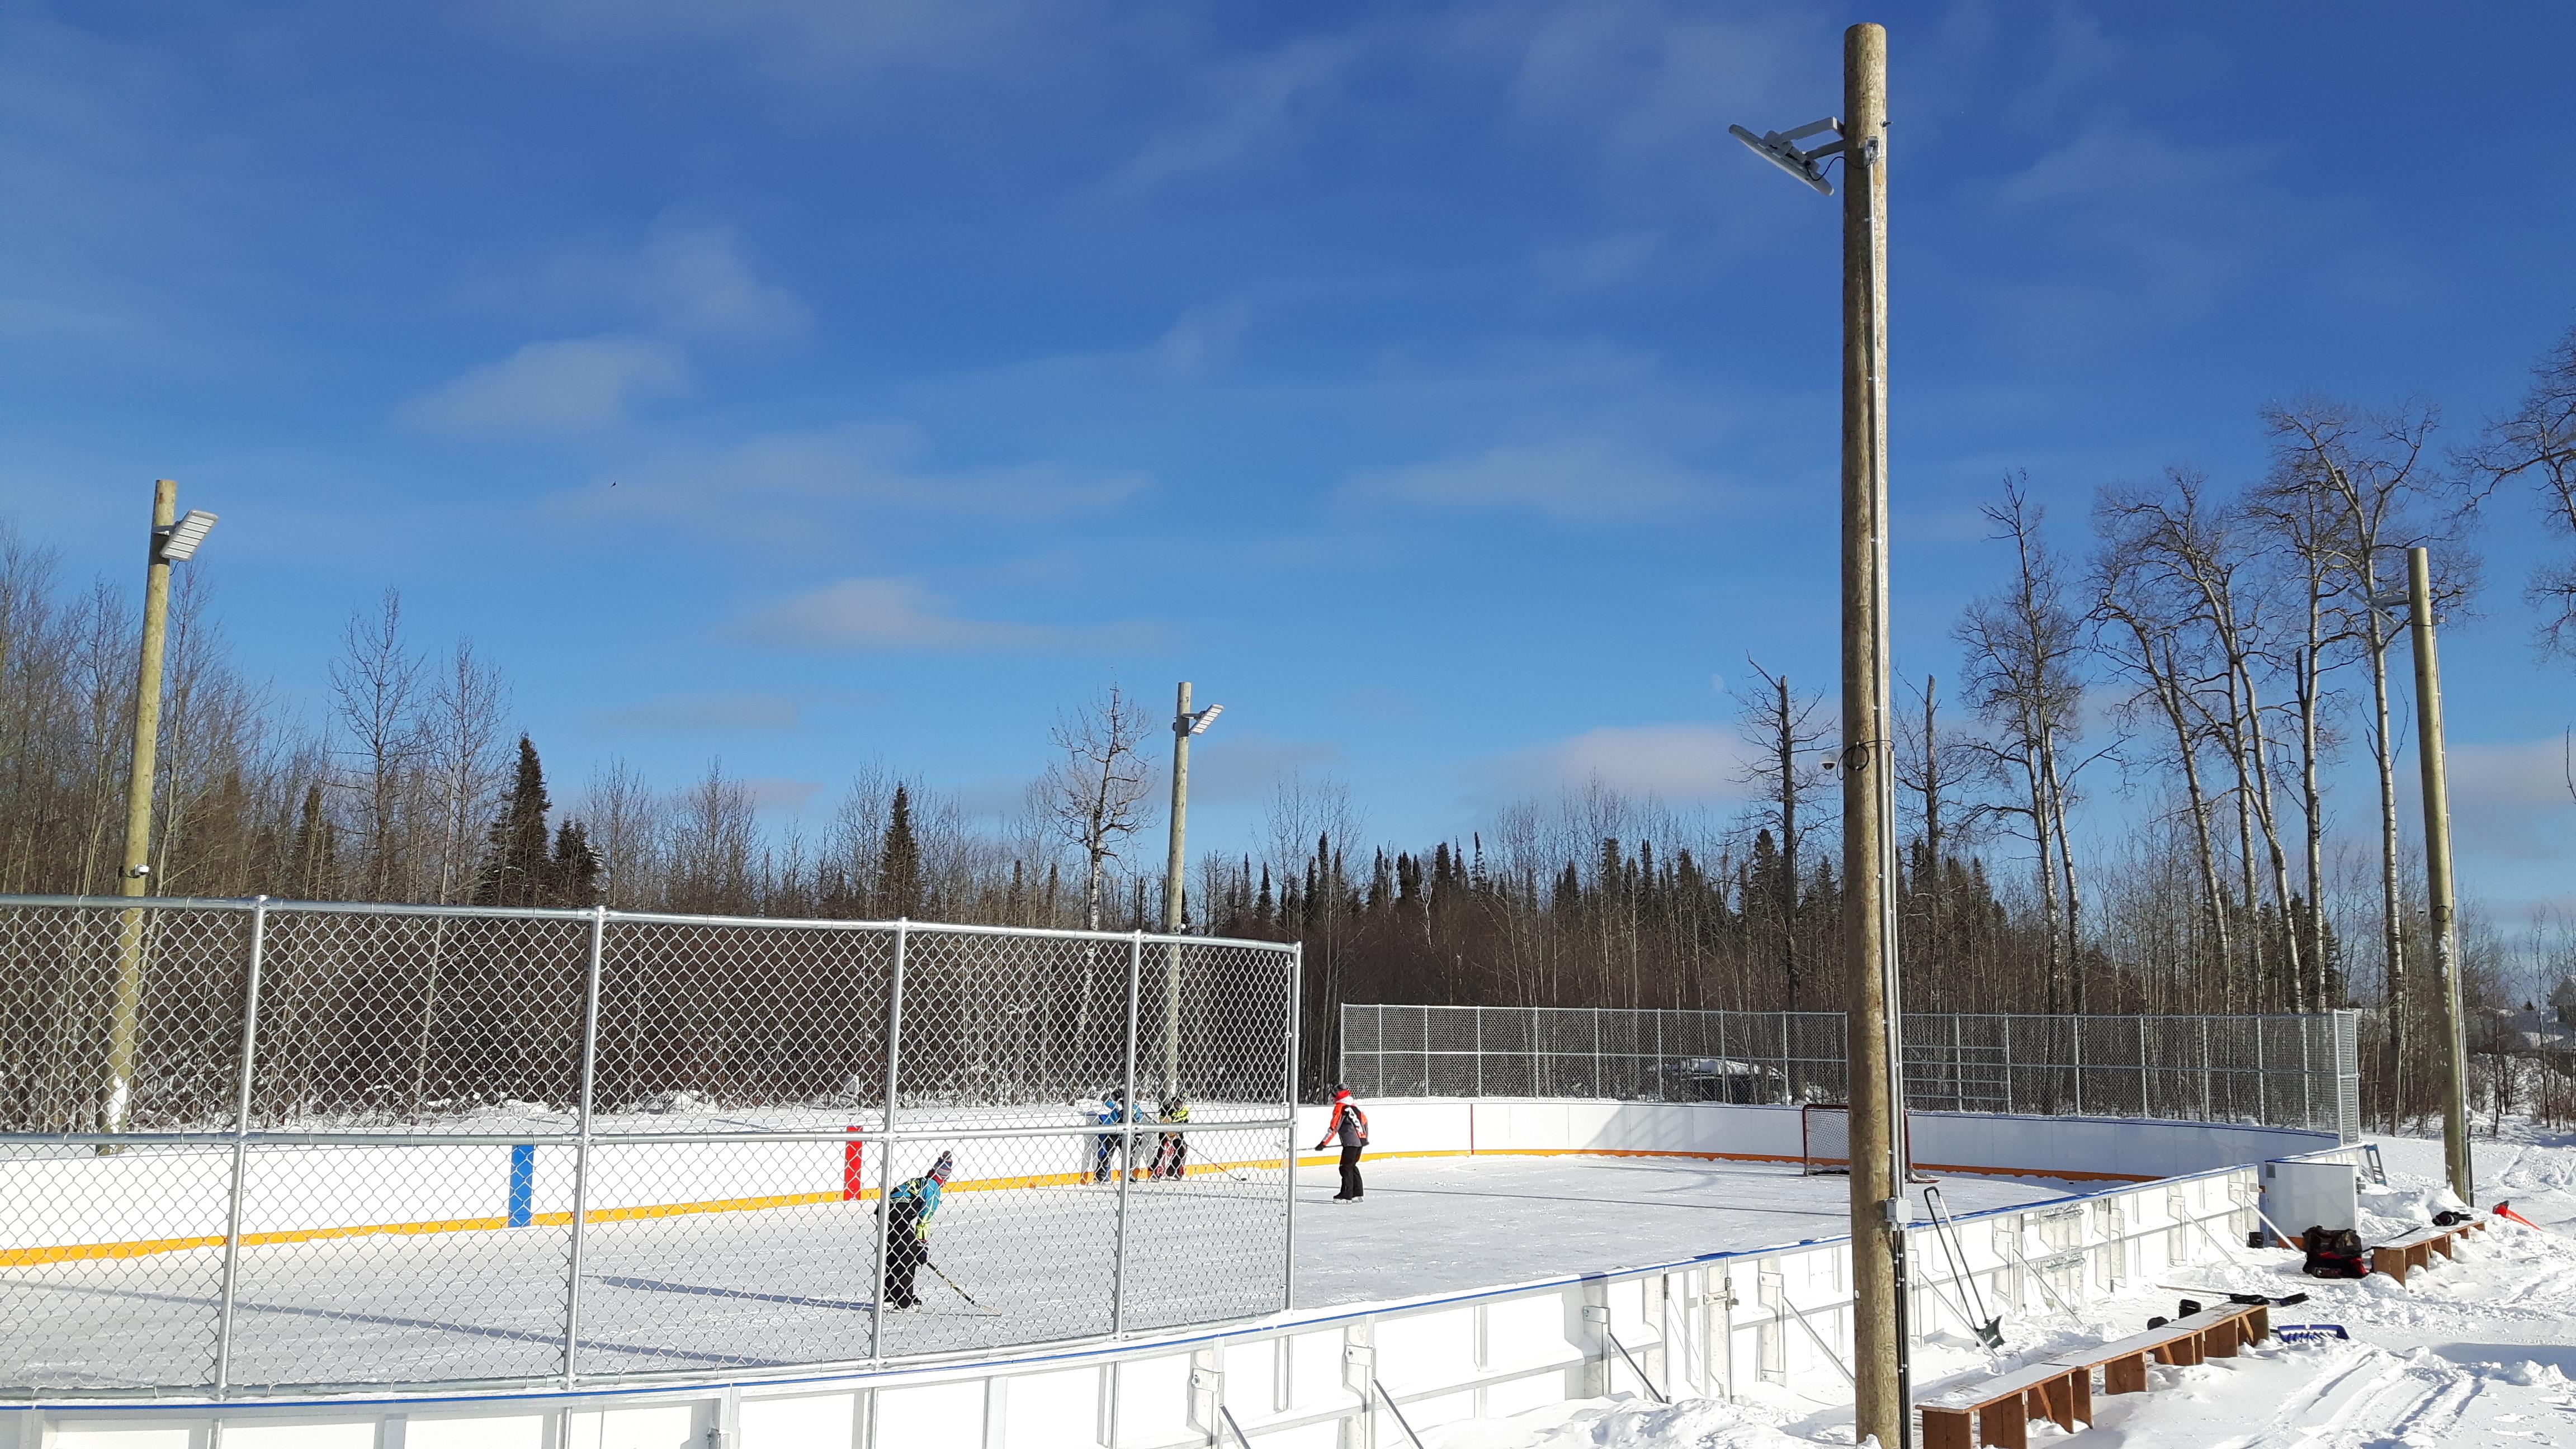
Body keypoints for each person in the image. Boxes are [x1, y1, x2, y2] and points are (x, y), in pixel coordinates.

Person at [879, 1150, 954, 1309]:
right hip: (897, 1215)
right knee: (908, 1254)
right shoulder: (934, 1188)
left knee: (894, 1254)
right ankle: (904, 1302)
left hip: (885, 1212)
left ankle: (888, 1297)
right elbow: (924, 1220)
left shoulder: (921, 1181)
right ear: (945, 1177)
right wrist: (921, 1245)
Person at [1315, 1086, 1369, 1201]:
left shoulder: (1341, 1107)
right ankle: (1357, 1193)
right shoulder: (1355, 1107)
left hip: (1351, 1143)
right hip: (1360, 1141)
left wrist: (1323, 1143)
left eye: (1333, 1097)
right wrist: (1364, 1138)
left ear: (1337, 1096)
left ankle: (1346, 1195)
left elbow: (1334, 1127)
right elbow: (1365, 1122)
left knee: (1345, 1167)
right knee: (1351, 1166)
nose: (1333, 1099)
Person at [1091, 1088, 1127, 1182]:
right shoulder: (1116, 1105)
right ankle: (1100, 1175)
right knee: (1108, 1153)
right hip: (1114, 1132)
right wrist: (1105, 1095)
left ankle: (1128, 1173)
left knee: (1127, 1153)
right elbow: (1106, 1101)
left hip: (1123, 1132)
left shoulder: (1127, 1106)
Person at [1152, 1095, 1190, 1180]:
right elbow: (1163, 1120)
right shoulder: (1167, 1108)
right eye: (1177, 1103)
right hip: (1166, 1134)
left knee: (1182, 1151)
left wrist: (1178, 1132)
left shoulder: (1186, 1110)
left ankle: (1173, 1171)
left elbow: (1186, 1122)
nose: (1179, 1105)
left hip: (1178, 1134)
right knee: (1163, 1151)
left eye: (1181, 1103)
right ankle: (1156, 1172)